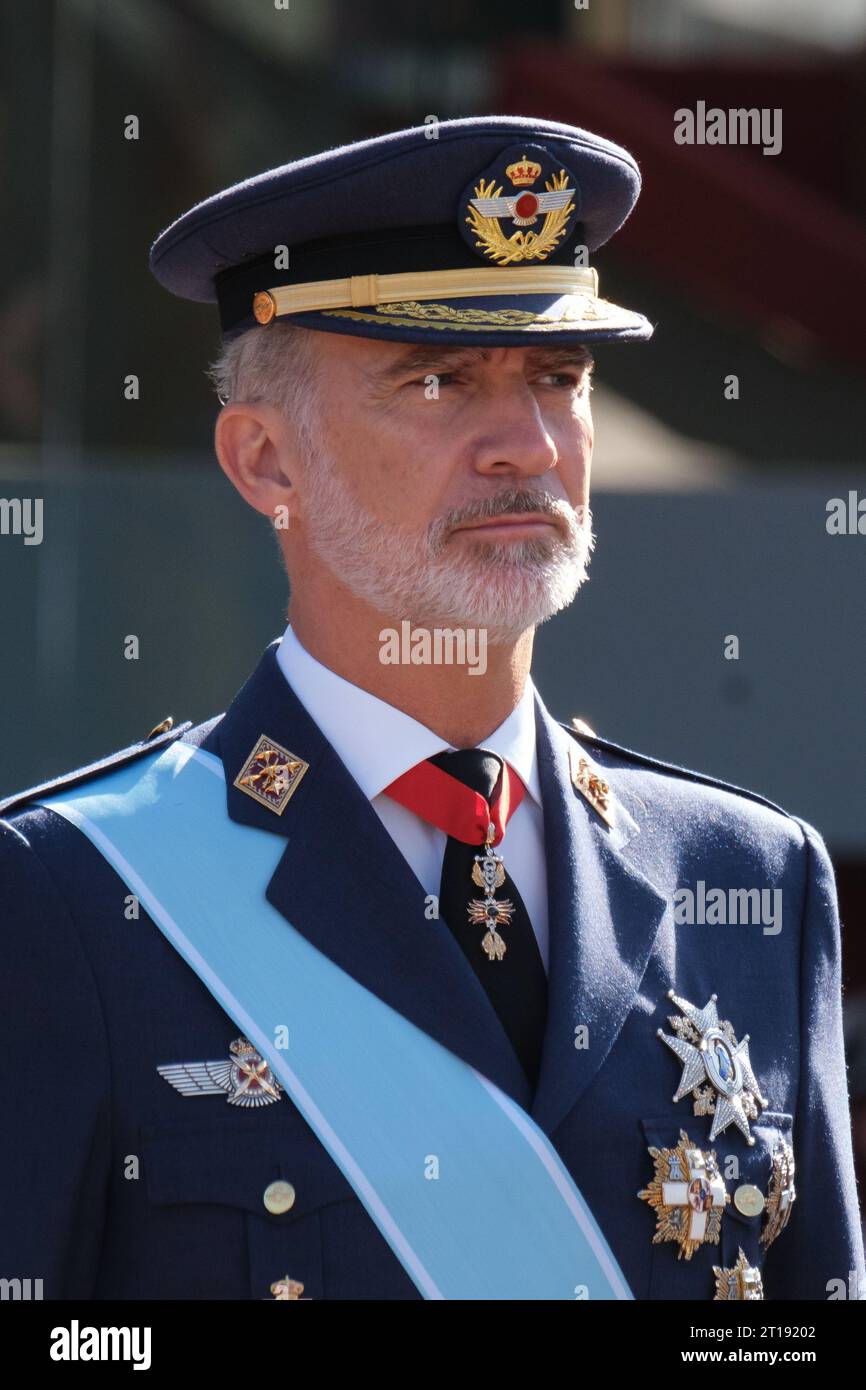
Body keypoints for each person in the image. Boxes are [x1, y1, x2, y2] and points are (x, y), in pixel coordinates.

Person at [1, 115, 863, 1302]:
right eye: (438, 380)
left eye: (558, 379)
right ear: (264, 463)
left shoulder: (754, 878)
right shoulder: (72, 894)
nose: (525, 444)